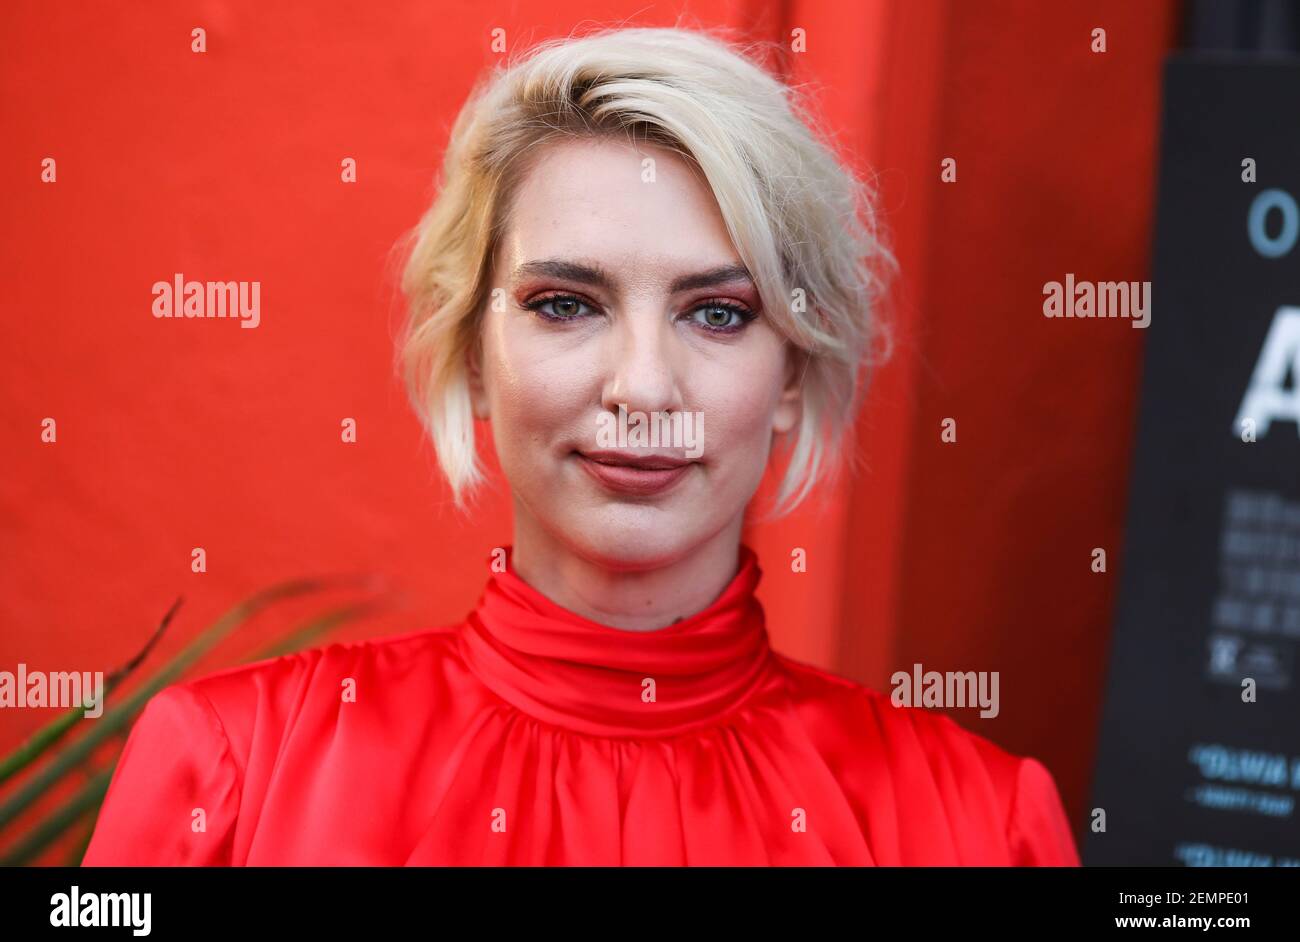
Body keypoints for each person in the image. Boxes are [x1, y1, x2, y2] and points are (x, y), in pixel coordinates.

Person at [82, 25, 1079, 866]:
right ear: (472, 351)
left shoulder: (980, 824)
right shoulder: (229, 772)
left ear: (790, 370)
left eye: (719, 313)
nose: (641, 386)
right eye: (565, 303)